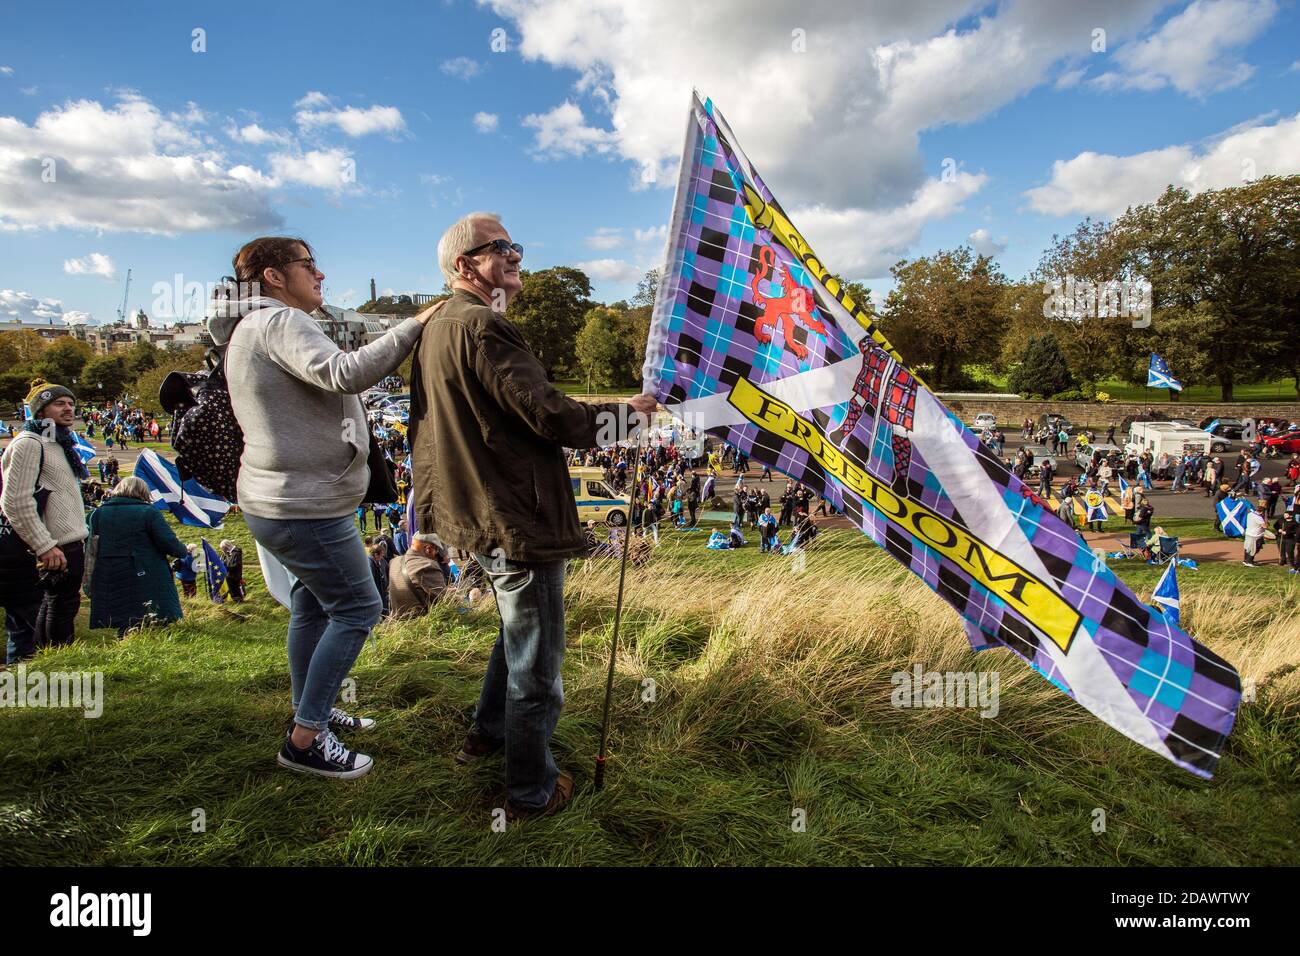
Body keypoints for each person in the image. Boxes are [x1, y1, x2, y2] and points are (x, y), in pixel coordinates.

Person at [408, 212, 657, 820]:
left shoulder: (439, 323)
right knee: (539, 665)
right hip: (512, 517)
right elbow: (551, 416)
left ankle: (486, 735)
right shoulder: (483, 327)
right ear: (467, 265)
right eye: (502, 247)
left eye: (516, 244)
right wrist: (630, 414)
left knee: (518, 634)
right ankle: (529, 793)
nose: (517, 255)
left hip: (473, 511)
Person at [209, 235, 441, 780]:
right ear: (272, 275)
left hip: (282, 500)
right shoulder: (280, 322)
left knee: (311, 605)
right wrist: (416, 324)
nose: (321, 275)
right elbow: (345, 373)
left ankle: (310, 706)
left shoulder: (251, 326)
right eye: (309, 265)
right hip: (304, 506)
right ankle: (306, 739)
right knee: (359, 608)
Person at [0, 382, 90, 662]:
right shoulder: (30, 443)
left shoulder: (57, 443)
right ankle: (56, 665)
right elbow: (15, 501)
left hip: (68, 542)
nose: (68, 409)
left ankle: (49, 665)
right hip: (53, 548)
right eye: (59, 404)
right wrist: (45, 546)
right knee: (54, 611)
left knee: (61, 609)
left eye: (70, 403)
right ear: (40, 411)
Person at [87, 477, 188, 637]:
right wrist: (183, 550)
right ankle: (147, 645)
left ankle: (126, 642)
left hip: (109, 570)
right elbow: (168, 541)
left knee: (122, 613)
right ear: (143, 492)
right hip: (144, 570)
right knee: (148, 612)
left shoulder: (98, 513)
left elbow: (91, 544)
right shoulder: (148, 512)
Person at [388, 546, 449, 619]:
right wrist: (451, 594)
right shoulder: (427, 565)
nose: (435, 555)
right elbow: (442, 598)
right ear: (428, 549)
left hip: (397, 619)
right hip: (420, 620)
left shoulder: (394, 561)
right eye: (436, 551)